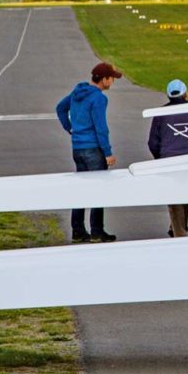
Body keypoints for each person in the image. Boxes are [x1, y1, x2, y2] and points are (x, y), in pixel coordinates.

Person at [56, 61, 121, 243]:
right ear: (105, 80)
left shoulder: (77, 93)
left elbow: (60, 108)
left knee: (81, 190)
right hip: (93, 149)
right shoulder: (99, 98)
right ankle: (97, 231)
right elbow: (101, 127)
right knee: (98, 190)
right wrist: (107, 153)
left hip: (77, 147)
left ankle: (77, 230)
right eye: (112, 79)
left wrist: (69, 127)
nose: (113, 83)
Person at [148, 78, 188, 237]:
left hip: (169, 160)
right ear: (186, 94)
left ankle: (178, 230)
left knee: (174, 197)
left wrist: (160, 157)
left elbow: (152, 142)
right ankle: (179, 231)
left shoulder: (160, 113)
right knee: (187, 193)